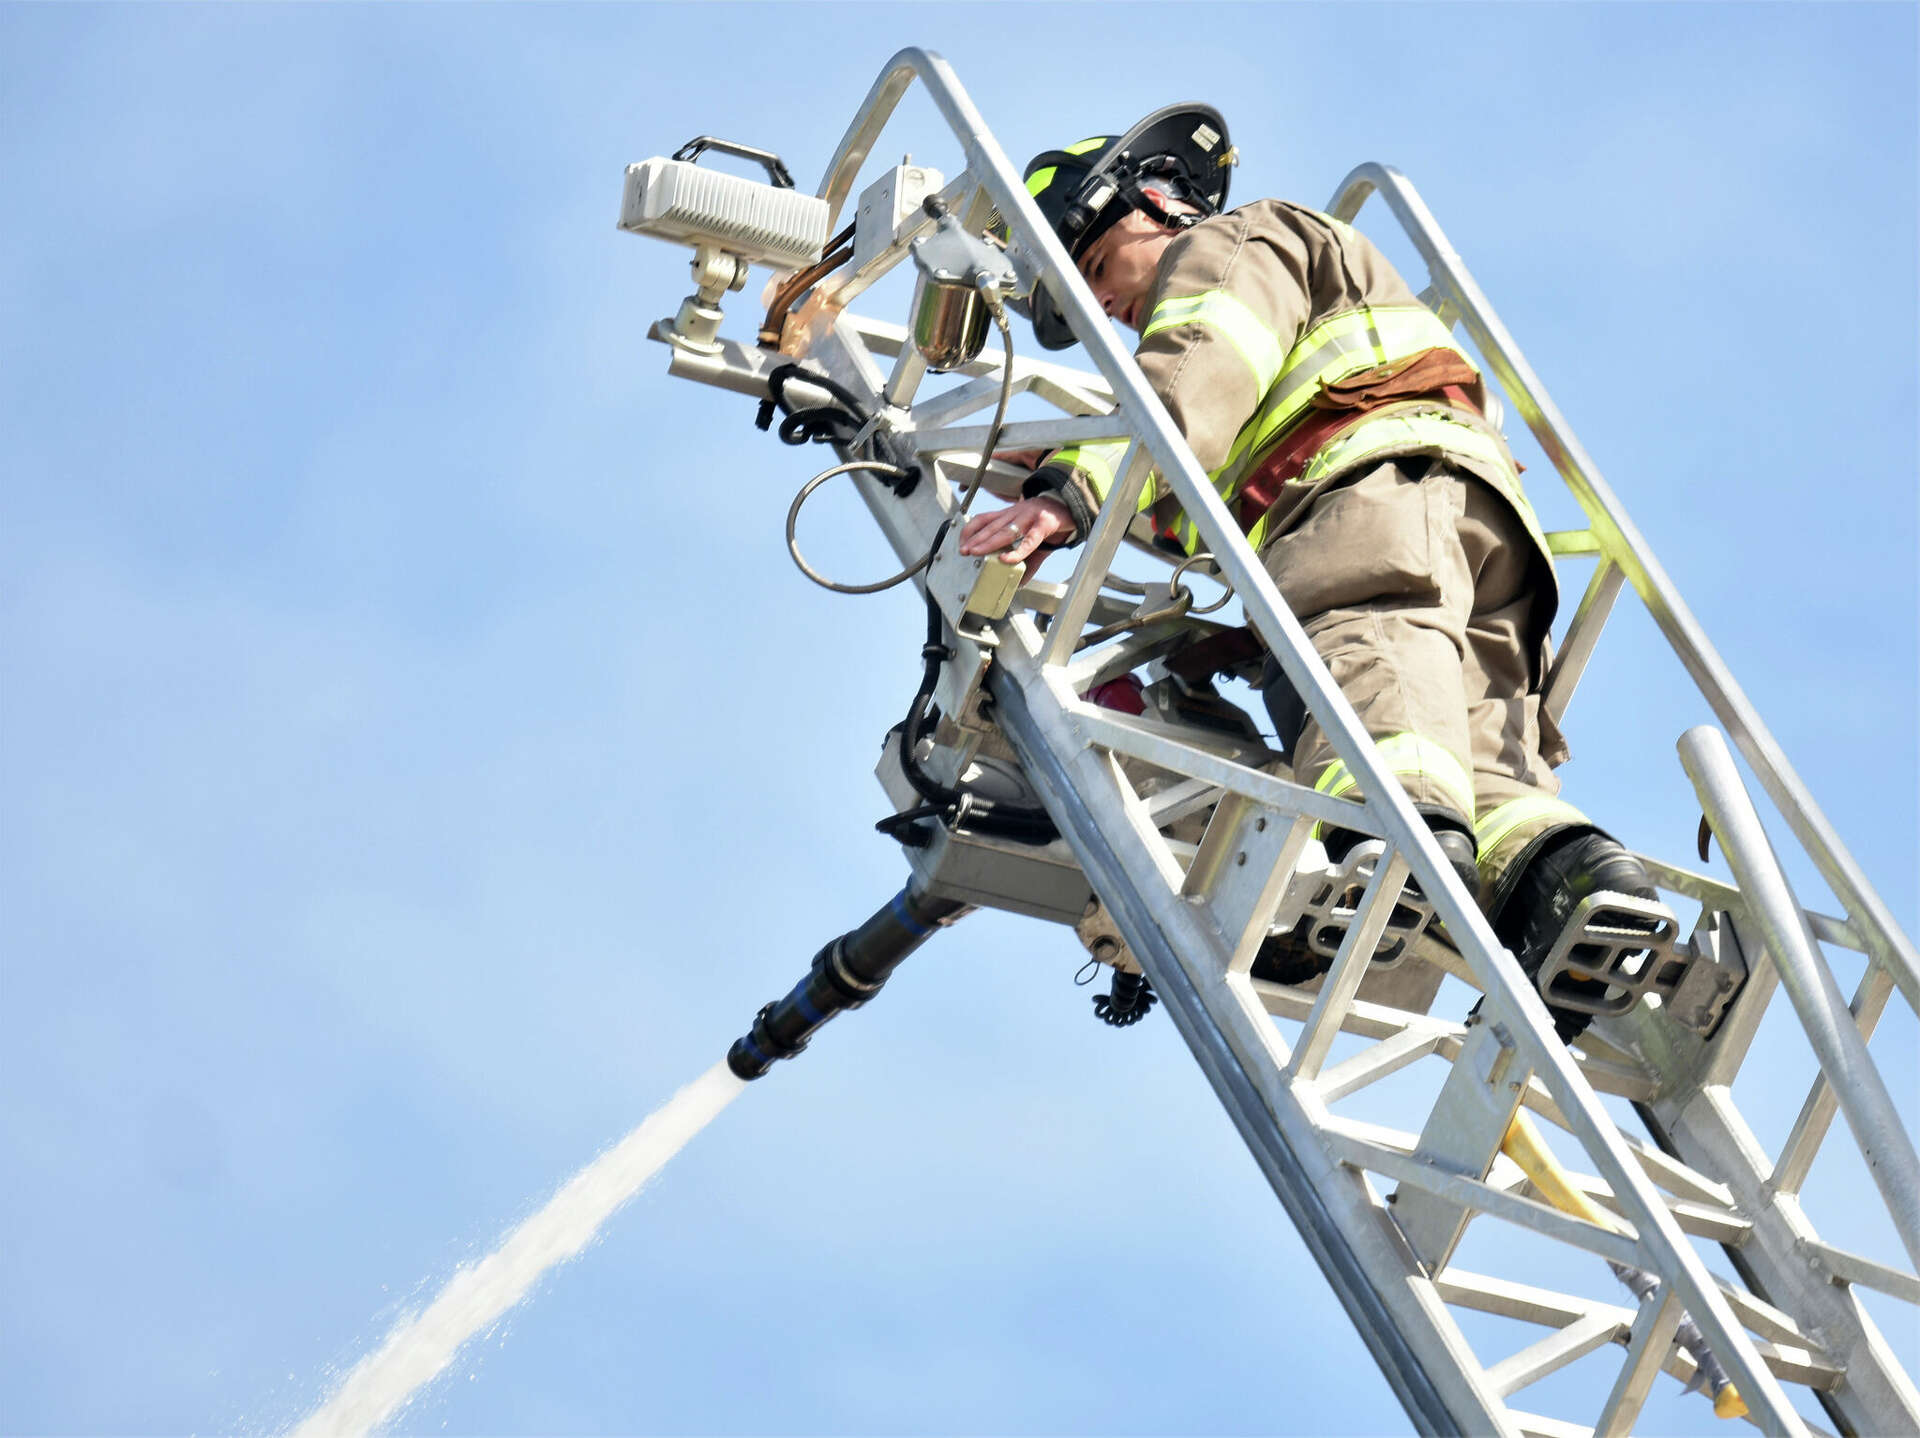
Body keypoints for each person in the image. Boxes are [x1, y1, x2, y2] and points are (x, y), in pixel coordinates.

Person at [957, 105, 1670, 1038]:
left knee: (1368, 661)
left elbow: (1190, 389)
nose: (1111, 310)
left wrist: (1073, 493)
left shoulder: (1223, 247)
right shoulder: (1289, 275)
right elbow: (1192, 499)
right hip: (1471, 525)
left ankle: (1399, 844)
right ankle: (1573, 883)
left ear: (1154, 203)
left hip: (1364, 493)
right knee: (1480, 758)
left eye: (1097, 271)